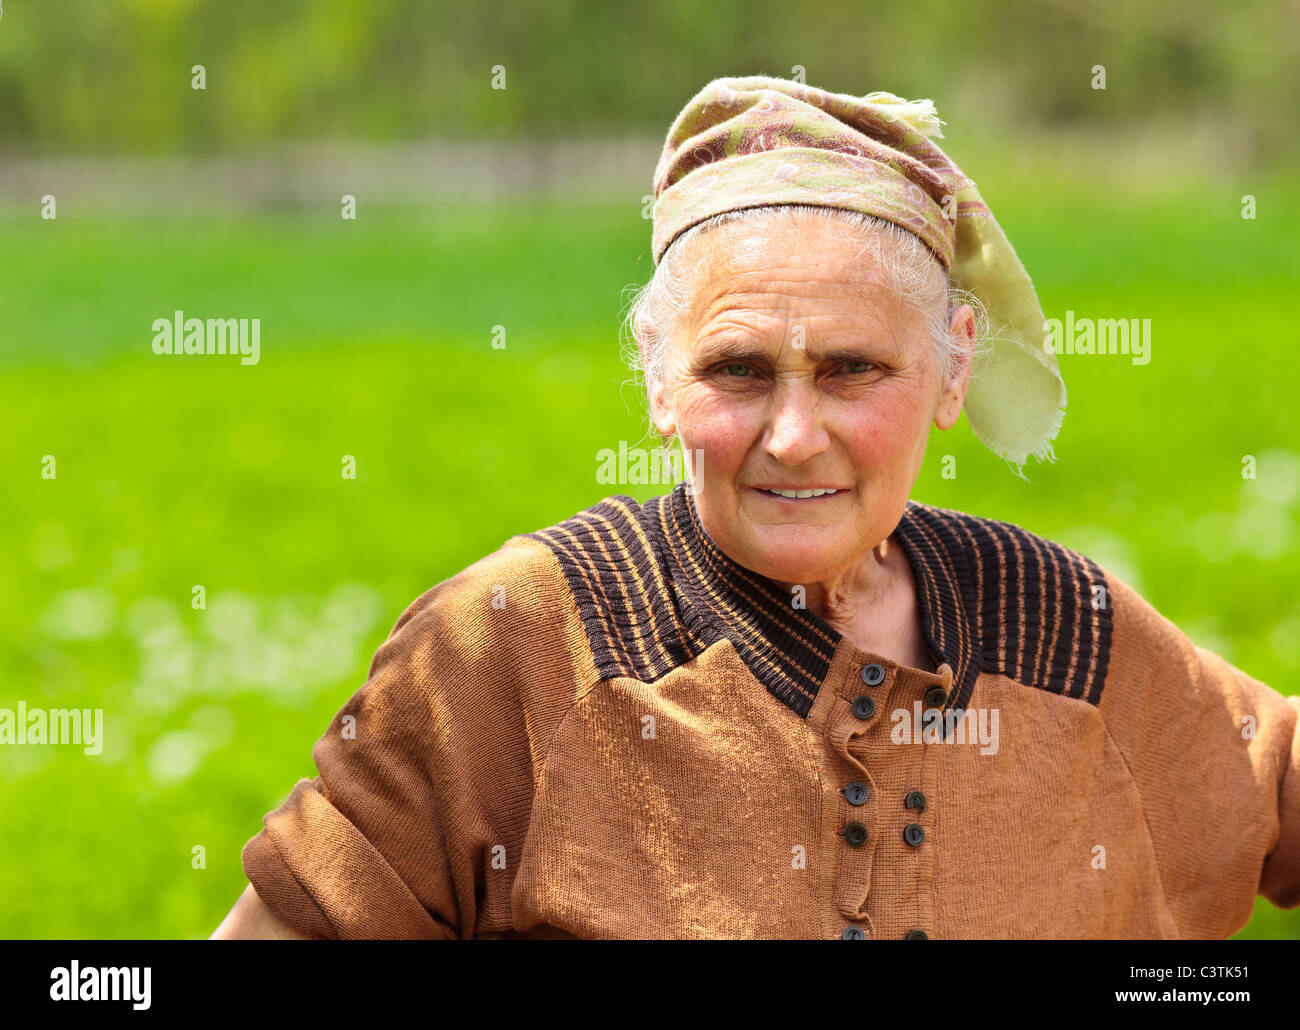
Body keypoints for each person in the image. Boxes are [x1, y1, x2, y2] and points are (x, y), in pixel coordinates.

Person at [211, 76, 1299, 940]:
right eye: (736, 370)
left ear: (953, 370)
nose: (790, 436)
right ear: (654, 373)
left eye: (852, 369)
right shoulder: (517, 644)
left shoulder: (1063, 634)